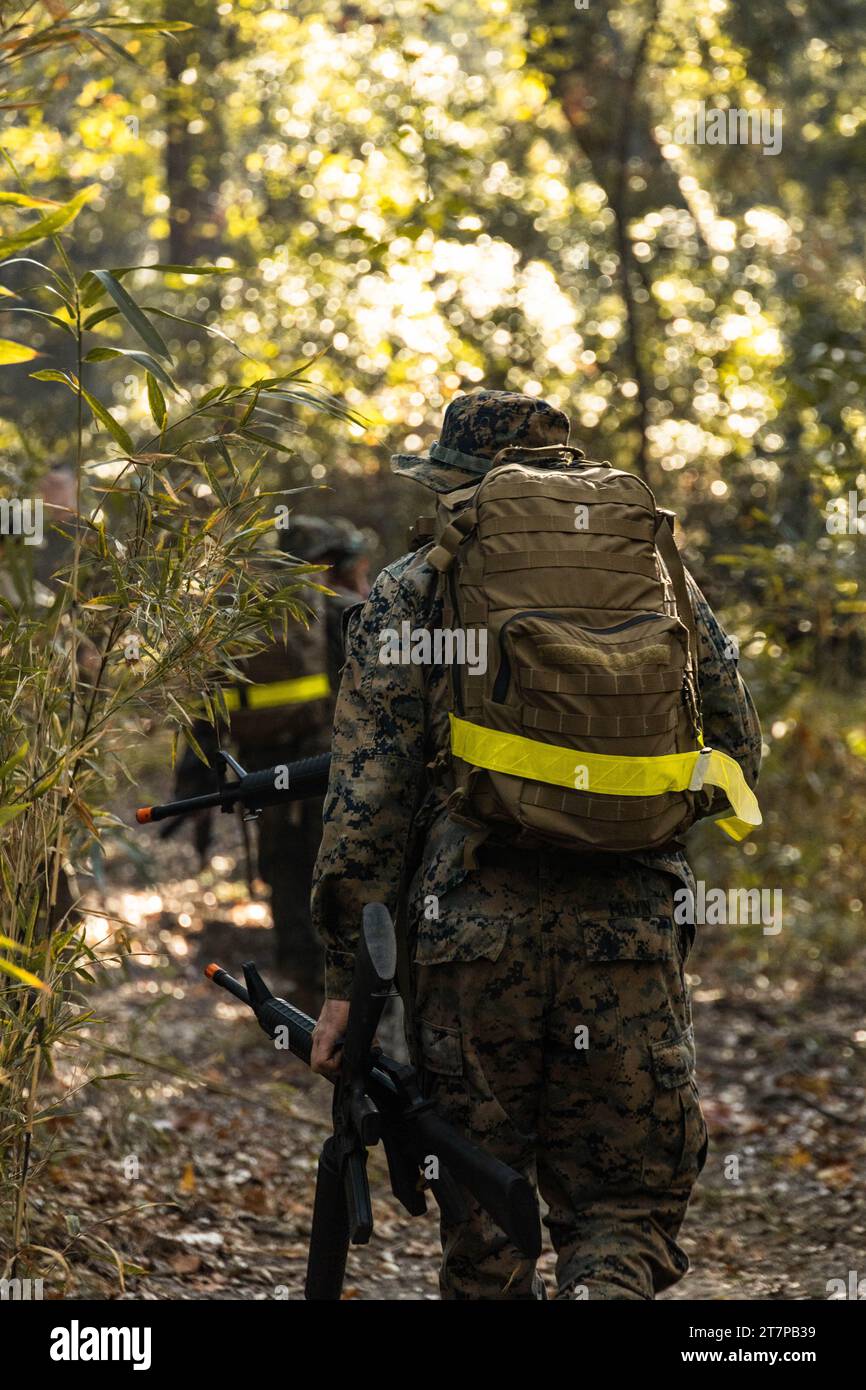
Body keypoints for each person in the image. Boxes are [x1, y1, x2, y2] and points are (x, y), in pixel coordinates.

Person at [309, 390, 761, 1300]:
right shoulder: (662, 576)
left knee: (486, 1227)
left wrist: (343, 986)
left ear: (460, 483)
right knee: (623, 1215)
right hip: (628, 929)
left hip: (472, 934)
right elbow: (735, 747)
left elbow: (369, 805)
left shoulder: (411, 589)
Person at [175, 515, 370, 1001]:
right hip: (325, 768)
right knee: (335, 867)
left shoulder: (245, 621)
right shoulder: (341, 613)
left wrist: (193, 786)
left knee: (283, 865)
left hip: (261, 771)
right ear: (328, 562)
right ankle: (341, 981)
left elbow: (207, 711)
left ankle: (299, 973)